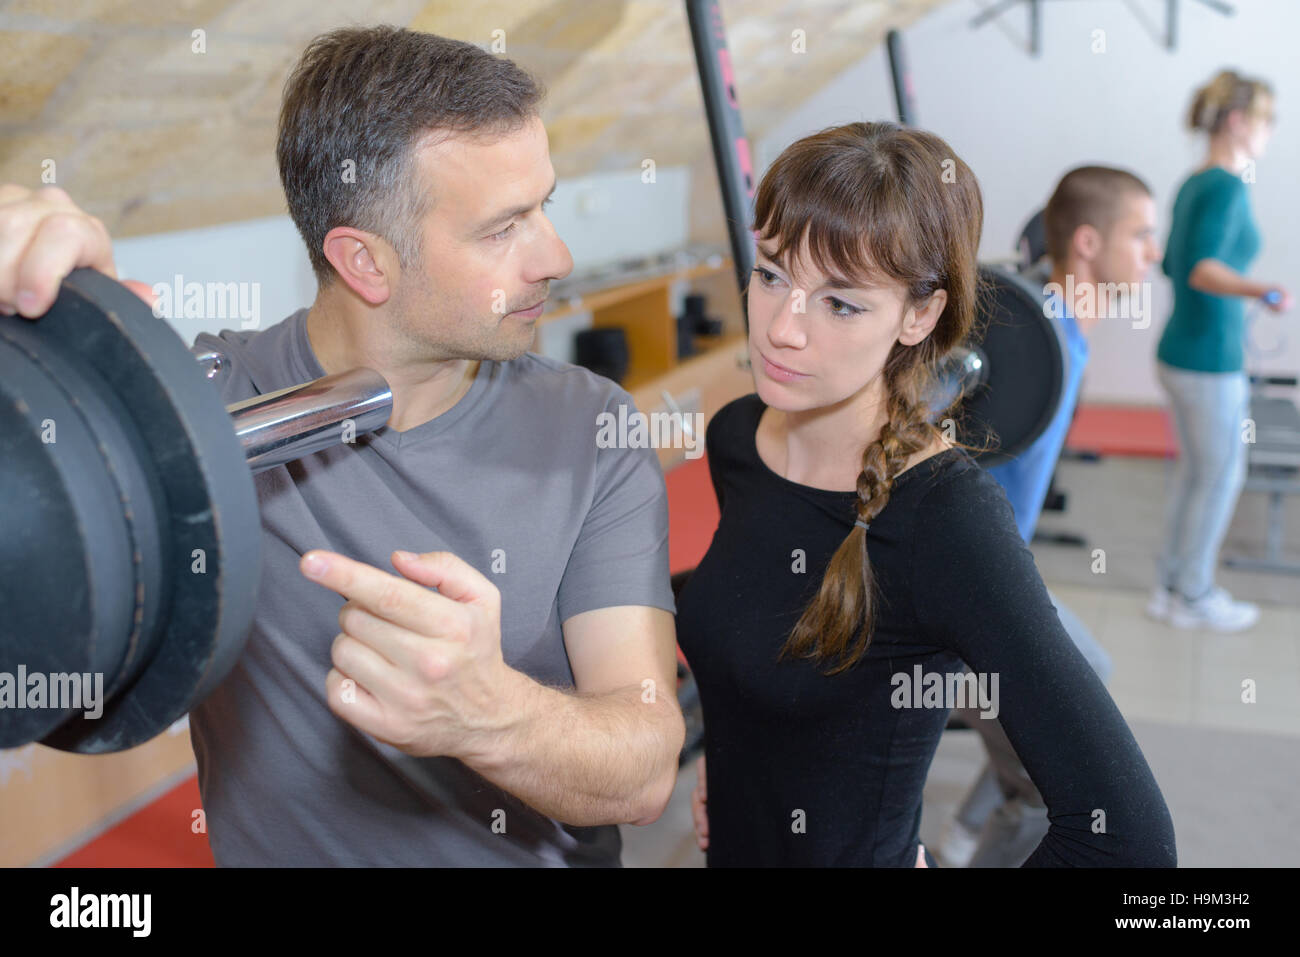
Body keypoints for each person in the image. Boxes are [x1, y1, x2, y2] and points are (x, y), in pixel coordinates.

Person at [0, 27, 684, 866]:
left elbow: (646, 763)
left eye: (543, 204)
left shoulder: (594, 431)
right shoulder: (203, 413)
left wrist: (486, 710)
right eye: (504, 228)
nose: (556, 255)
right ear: (365, 261)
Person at [679, 122, 1176, 867]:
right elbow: (759, 648)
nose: (782, 329)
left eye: (840, 304)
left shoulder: (945, 518)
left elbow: (1128, 839)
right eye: (773, 274)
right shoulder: (738, 438)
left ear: (920, 315)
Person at [941, 166, 1162, 868]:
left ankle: (965, 826)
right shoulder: (1040, 335)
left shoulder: (1061, 333)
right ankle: (990, 827)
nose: (1155, 251)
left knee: (1088, 675)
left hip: (1005, 579)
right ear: (1090, 242)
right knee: (1059, 788)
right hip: (968, 597)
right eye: (1143, 234)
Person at [1149, 69, 1291, 633]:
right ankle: (1195, 593)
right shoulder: (1227, 185)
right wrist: (1262, 289)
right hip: (1208, 358)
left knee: (1198, 474)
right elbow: (1202, 269)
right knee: (1223, 474)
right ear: (1239, 121)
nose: (1271, 132)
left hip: (1182, 350)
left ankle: (1171, 587)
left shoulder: (1195, 181)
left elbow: (1169, 263)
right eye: (1268, 120)